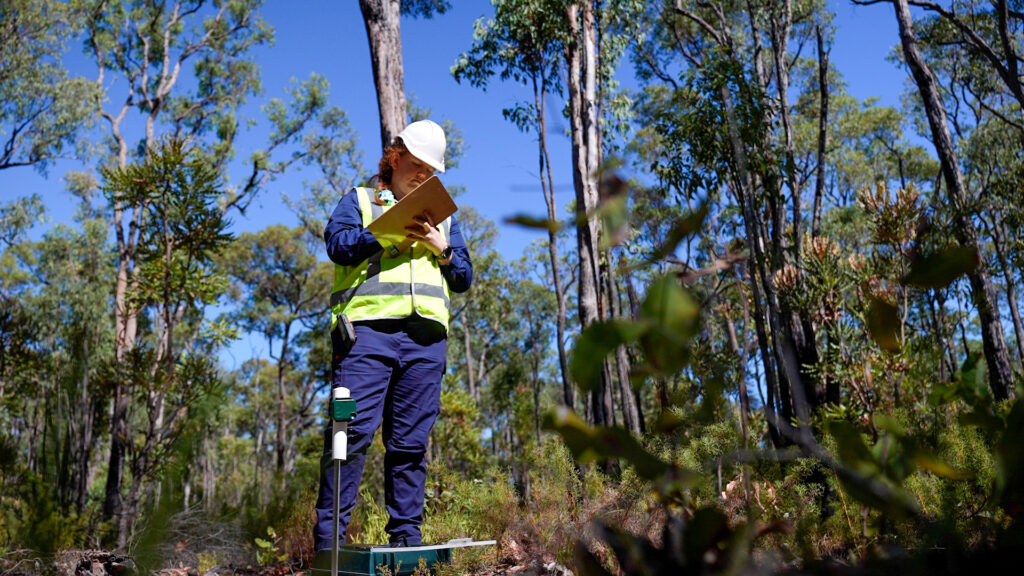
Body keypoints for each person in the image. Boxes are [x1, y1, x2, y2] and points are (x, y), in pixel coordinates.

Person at [313, 119, 473, 550]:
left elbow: (463, 278)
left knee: (410, 444)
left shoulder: (445, 218)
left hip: (426, 342)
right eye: (417, 166)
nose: (424, 176)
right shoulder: (360, 201)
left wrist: (443, 250)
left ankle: (406, 543)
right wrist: (387, 229)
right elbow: (338, 246)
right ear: (395, 158)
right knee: (349, 436)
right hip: (366, 337)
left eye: (431, 171)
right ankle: (329, 549)